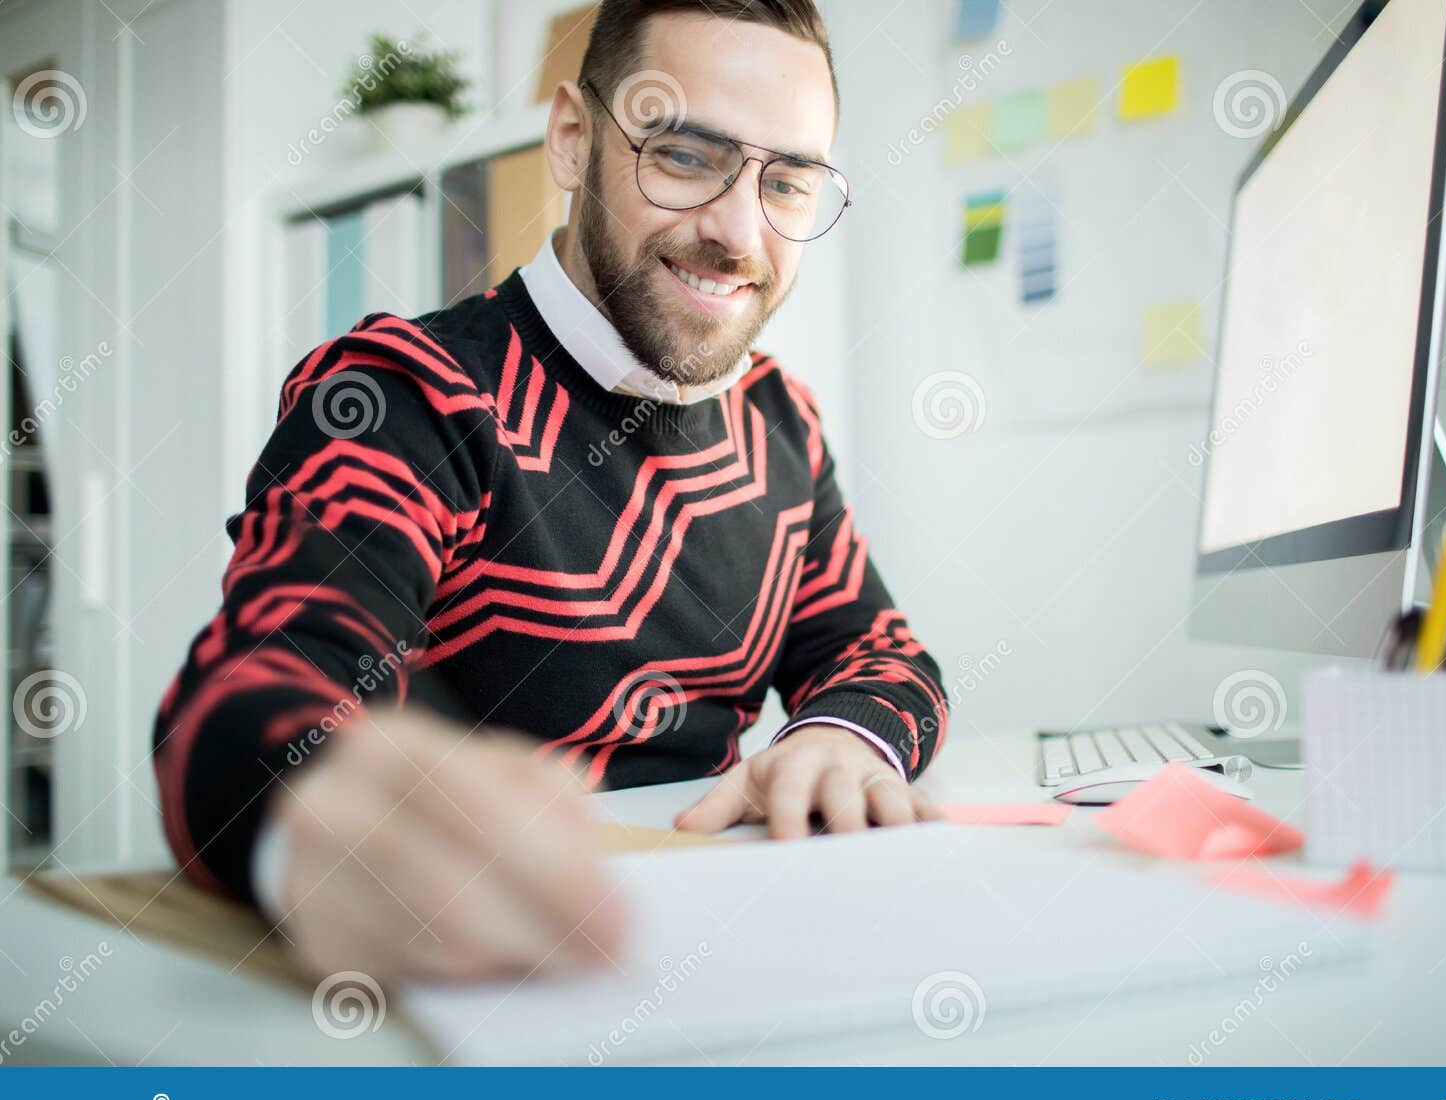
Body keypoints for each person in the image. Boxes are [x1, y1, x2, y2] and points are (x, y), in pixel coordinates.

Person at [153, 0, 948, 982]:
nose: (739, 234)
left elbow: (879, 650)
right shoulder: (408, 391)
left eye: (787, 182)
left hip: (728, 963)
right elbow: (248, 689)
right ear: (572, 140)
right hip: (466, 979)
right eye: (686, 156)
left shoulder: (781, 418)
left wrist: (838, 733)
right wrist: (309, 809)